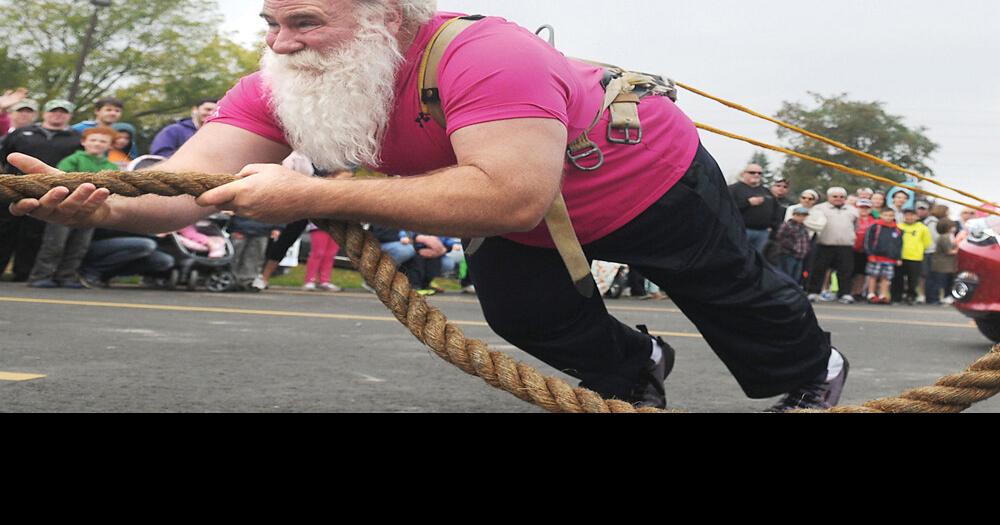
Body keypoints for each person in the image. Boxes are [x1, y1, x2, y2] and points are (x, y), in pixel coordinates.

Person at [9, 0, 848, 412]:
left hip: (639, 176)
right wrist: (107, 209)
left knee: (726, 292)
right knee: (525, 312)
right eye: (271, 22)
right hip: (514, 213)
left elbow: (510, 189)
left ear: (387, 14)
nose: (281, 44)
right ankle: (635, 374)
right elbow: (191, 180)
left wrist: (305, 191)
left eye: (307, 22)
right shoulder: (280, 83)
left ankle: (813, 373)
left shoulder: (487, 54)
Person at [0, 99, 82, 282]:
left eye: (63, 111)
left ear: (69, 116)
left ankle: (23, 273)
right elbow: (3, 156)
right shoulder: (21, 133)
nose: (58, 114)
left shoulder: (76, 138)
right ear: (45, 113)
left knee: (34, 234)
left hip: (49, 191)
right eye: (54, 110)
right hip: (14, 188)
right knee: (4, 230)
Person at [27, 126, 118, 288]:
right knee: (55, 244)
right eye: (93, 140)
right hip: (65, 207)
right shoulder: (73, 159)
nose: (97, 144)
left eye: (103, 141)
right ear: (84, 142)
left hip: (92, 210)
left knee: (79, 246)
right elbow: (61, 179)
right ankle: (41, 275)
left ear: (110, 146)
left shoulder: (111, 167)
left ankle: (66, 275)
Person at [806, 187, 859, 304]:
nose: (838, 199)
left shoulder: (853, 210)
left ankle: (844, 293)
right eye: (835, 196)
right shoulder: (819, 208)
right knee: (819, 269)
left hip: (845, 245)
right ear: (828, 197)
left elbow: (856, 226)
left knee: (845, 271)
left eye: (841, 197)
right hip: (824, 244)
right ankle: (813, 292)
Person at [78, 228, 176, 288]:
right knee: (146, 245)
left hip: (131, 244)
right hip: (99, 243)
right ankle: (90, 273)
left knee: (164, 261)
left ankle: (108, 275)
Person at [728, 163, 777, 254]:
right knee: (738, 255)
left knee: (755, 260)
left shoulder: (766, 191)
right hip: (742, 230)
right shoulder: (733, 189)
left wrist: (772, 226)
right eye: (752, 172)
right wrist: (748, 203)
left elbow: (775, 210)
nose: (756, 175)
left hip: (763, 232)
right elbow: (727, 208)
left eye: (759, 173)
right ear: (743, 174)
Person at [71, 97, 139, 159]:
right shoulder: (80, 128)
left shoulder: (124, 131)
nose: (113, 113)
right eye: (108, 110)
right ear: (97, 111)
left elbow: (132, 155)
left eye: (117, 111)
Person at [150, 99, 219, 158]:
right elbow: (159, 156)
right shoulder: (173, 130)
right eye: (208, 109)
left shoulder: (216, 135)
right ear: (195, 110)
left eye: (215, 111)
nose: (211, 113)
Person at [892, 208, 933, 305]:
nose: (909, 217)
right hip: (900, 257)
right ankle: (896, 297)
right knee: (898, 278)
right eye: (907, 215)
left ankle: (911, 296)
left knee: (913, 280)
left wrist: (919, 249)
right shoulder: (898, 226)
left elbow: (927, 242)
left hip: (915, 257)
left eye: (912, 215)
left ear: (916, 216)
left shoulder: (922, 227)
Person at [863, 208, 903, 305]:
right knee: (873, 276)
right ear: (881, 215)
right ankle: (871, 294)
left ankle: (883, 295)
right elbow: (868, 240)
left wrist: (898, 258)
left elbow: (899, 245)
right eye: (886, 215)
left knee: (886, 277)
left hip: (889, 258)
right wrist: (870, 253)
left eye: (890, 215)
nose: (888, 217)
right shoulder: (875, 226)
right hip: (876, 256)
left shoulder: (897, 229)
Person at [848, 199, 876, 300]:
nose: (864, 210)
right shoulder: (852, 218)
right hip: (851, 248)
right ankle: (848, 291)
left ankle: (858, 292)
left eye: (866, 208)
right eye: (861, 207)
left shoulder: (874, 221)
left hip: (865, 250)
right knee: (850, 271)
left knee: (861, 272)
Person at [775, 206, 811, 283]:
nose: (801, 217)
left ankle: (793, 290)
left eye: (803, 216)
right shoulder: (787, 225)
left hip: (800, 256)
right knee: (787, 274)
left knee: (797, 276)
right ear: (793, 215)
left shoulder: (803, 227)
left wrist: (806, 249)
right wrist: (793, 247)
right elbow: (780, 237)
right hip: (789, 254)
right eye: (798, 215)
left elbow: (806, 240)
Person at [302, 221, 342, 291]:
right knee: (318, 253)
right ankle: (309, 280)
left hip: (338, 226)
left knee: (330, 255)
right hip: (319, 225)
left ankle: (324, 281)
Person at [927, 219, 958, 306]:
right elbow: (948, 251)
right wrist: (958, 250)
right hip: (942, 264)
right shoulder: (944, 237)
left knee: (947, 282)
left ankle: (946, 297)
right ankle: (934, 299)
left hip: (947, 264)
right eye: (952, 226)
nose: (954, 228)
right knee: (939, 282)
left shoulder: (950, 236)